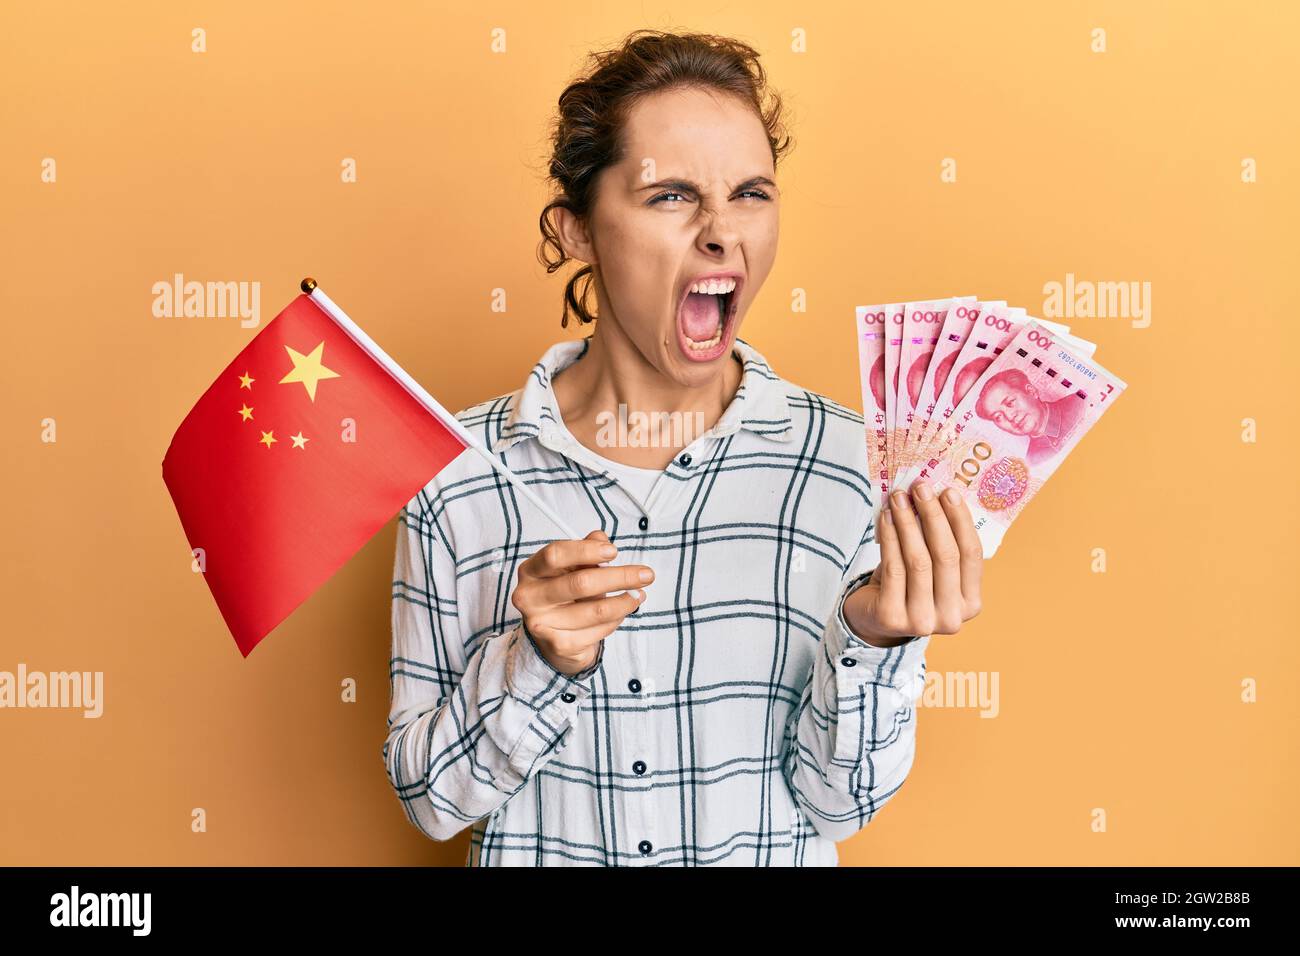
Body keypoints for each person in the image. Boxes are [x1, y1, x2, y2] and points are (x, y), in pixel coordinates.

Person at [383, 29, 983, 866]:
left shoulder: (855, 466)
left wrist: (874, 641)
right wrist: (538, 662)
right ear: (577, 231)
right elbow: (430, 802)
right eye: (669, 196)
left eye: (750, 193)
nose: (720, 233)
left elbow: (840, 807)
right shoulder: (456, 476)